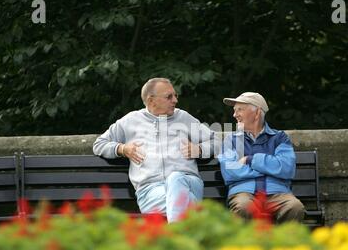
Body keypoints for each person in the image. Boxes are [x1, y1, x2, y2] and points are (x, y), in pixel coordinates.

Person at [93, 78, 217, 222]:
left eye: (175, 95)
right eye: (169, 96)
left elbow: (217, 142)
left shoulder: (183, 118)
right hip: (150, 192)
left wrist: (199, 149)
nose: (175, 100)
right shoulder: (130, 121)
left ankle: (177, 234)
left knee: (175, 178)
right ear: (151, 101)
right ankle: (188, 224)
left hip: (188, 183)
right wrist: (122, 148)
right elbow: (99, 144)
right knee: (183, 204)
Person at [217, 92, 304, 224]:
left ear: (257, 113)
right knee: (243, 207)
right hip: (244, 193)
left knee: (295, 207)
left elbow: (286, 168)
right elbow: (230, 172)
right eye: (234, 110)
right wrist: (270, 168)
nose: (235, 115)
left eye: (240, 109)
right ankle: (245, 245)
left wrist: (250, 160)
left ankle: (283, 244)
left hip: (277, 193)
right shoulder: (232, 140)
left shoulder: (279, 138)